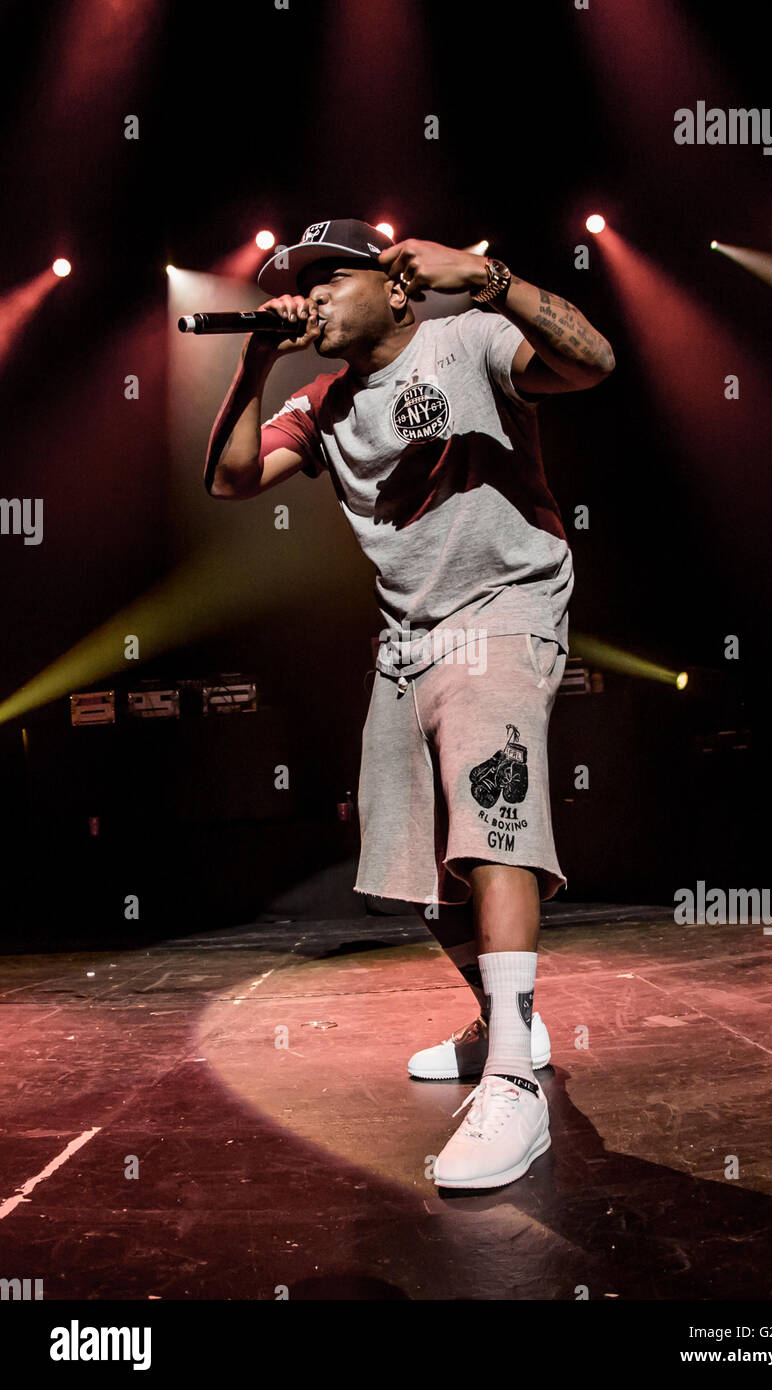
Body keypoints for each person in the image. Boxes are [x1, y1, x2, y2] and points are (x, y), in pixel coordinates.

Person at [205, 218, 614, 1190]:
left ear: (395, 288)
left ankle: (513, 1079)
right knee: (411, 863)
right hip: (408, 638)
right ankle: (502, 1018)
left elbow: (593, 361)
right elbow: (227, 479)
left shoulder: (464, 336)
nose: (307, 295)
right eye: (294, 282)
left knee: (489, 814)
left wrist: (488, 275)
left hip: (507, 603)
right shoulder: (319, 399)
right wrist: (256, 360)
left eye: (326, 278)